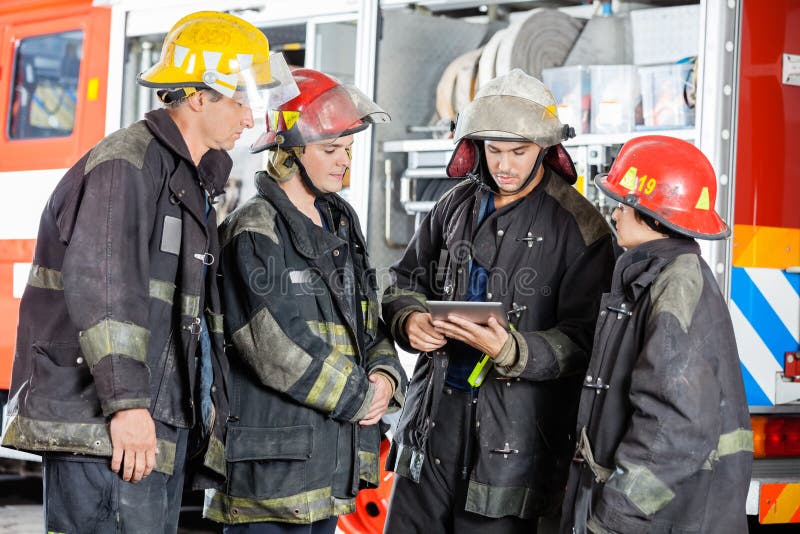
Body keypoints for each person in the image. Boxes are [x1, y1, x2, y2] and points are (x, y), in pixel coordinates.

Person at [1, 11, 292, 533]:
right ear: (199, 96)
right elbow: (107, 294)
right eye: (241, 101)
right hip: (109, 428)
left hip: (149, 421)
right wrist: (128, 407)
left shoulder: (183, 177)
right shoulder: (127, 166)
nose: (250, 118)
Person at [382, 68, 616, 534]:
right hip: (432, 427)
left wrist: (513, 351)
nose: (504, 165)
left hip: (514, 443)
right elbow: (404, 280)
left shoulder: (581, 229)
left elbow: (588, 342)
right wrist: (408, 318)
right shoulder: (453, 206)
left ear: (546, 151)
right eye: (493, 150)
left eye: (519, 151)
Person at [204, 68, 407, 534]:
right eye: (330, 150)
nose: (344, 162)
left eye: (349, 150)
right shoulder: (254, 229)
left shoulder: (339, 221)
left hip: (327, 469)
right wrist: (361, 396)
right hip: (270, 477)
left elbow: (366, 321)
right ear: (290, 153)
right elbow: (275, 346)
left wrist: (384, 377)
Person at [560, 135, 753, 534]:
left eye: (623, 205)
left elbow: (674, 427)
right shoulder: (654, 274)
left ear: (653, 213)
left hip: (667, 521)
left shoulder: (676, 285)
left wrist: (615, 518)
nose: (614, 215)